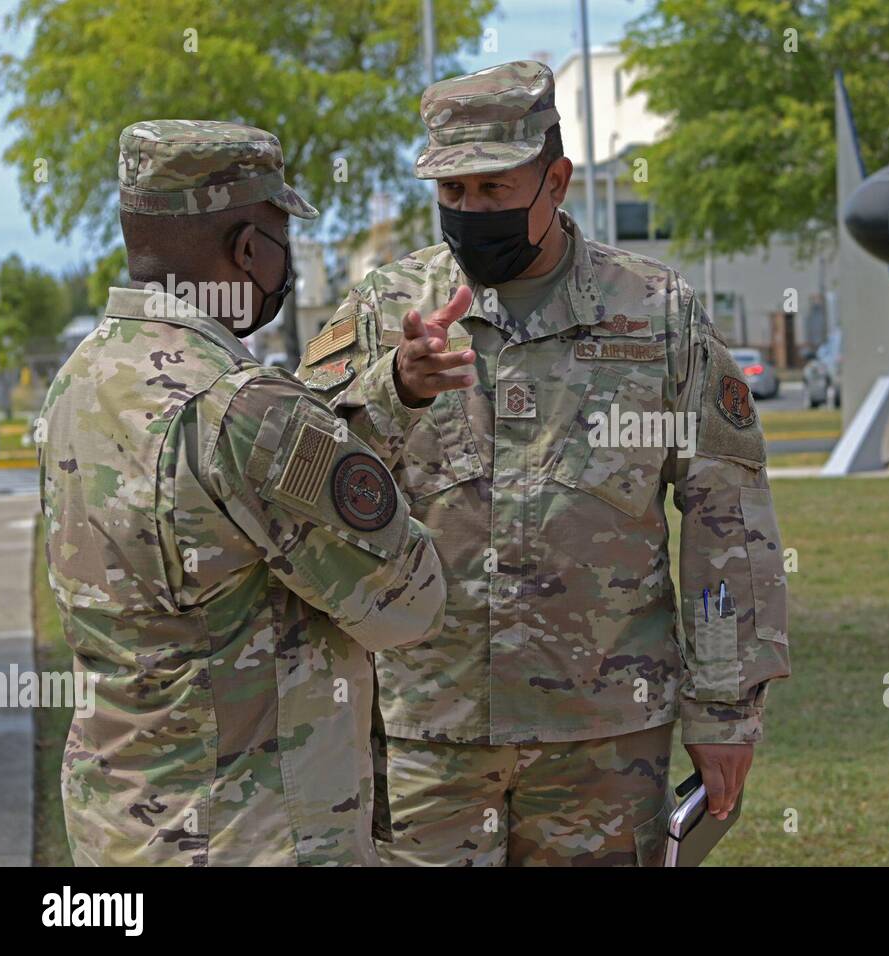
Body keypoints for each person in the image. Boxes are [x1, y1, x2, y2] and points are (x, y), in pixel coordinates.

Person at [300, 61, 791, 866]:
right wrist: (395, 390)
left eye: (494, 191)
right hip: (430, 726)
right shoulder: (389, 309)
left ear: (555, 180)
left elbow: (727, 521)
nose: (471, 212)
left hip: (603, 737)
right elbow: (301, 485)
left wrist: (726, 714)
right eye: (453, 194)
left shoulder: (655, 312)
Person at [38, 120, 453, 865]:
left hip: (122, 830)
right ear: (249, 249)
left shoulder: (81, 380)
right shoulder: (243, 406)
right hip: (252, 835)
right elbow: (409, 603)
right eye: (279, 235)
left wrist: (383, 398)